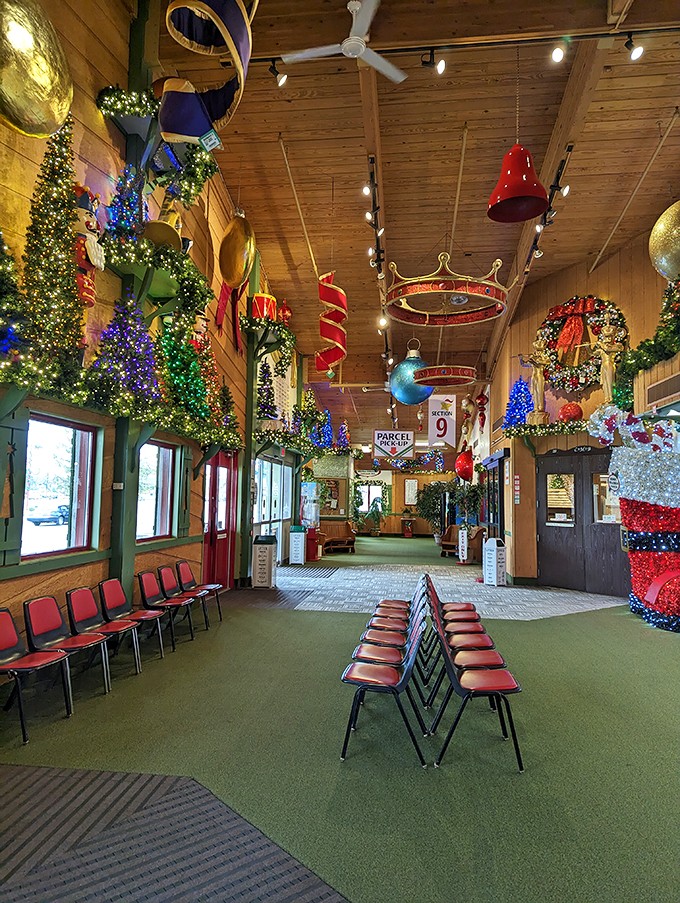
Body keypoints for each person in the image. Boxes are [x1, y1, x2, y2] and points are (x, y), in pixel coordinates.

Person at [594, 317, 624, 403]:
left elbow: (608, 349)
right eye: (606, 337)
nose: (607, 339)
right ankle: (607, 398)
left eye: (609, 337)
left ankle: (612, 398)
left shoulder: (617, 346)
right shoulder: (602, 349)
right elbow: (593, 354)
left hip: (610, 364)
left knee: (611, 382)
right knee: (605, 384)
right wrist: (587, 347)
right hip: (603, 366)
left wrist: (600, 344)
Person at [519, 337, 551, 412]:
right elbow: (524, 364)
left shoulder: (543, 357)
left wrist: (535, 361)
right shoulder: (533, 357)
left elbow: (546, 362)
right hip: (534, 376)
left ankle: (541, 406)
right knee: (534, 391)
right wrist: (520, 358)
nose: (537, 352)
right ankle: (536, 407)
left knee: (540, 391)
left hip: (540, 375)